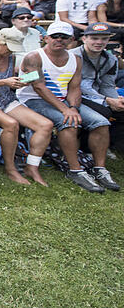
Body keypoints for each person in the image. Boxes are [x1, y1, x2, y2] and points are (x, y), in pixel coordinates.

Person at [16, 22, 118, 192]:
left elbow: (74, 87)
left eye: (64, 37)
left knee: (100, 123)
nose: (59, 40)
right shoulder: (34, 57)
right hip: (33, 99)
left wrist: (73, 107)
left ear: (71, 40)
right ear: (46, 38)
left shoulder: (75, 60)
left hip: (63, 100)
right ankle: (75, 169)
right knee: (68, 122)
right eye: (55, 36)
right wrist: (66, 110)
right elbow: (39, 87)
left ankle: (100, 169)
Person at [0, 29, 53, 185]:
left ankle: (32, 166)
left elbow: (11, 84)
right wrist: (4, 82)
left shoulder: (12, 57)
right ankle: (11, 169)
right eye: (9, 46)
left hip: (7, 98)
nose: (10, 50)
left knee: (46, 125)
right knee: (11, 124)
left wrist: (20, 82)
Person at [72, 22, 124, 154]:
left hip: (96, 94)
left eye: (104, 38)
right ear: (84, 39)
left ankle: (111, 145)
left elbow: (108, 84)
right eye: (94, 38)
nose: (99, 42)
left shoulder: (111, 59)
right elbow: (78, 86)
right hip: (74, 95)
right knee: (104, 112)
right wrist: (106, 100)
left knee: (120, 110)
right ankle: (86, 149)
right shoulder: (73, 56)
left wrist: (115, 100)